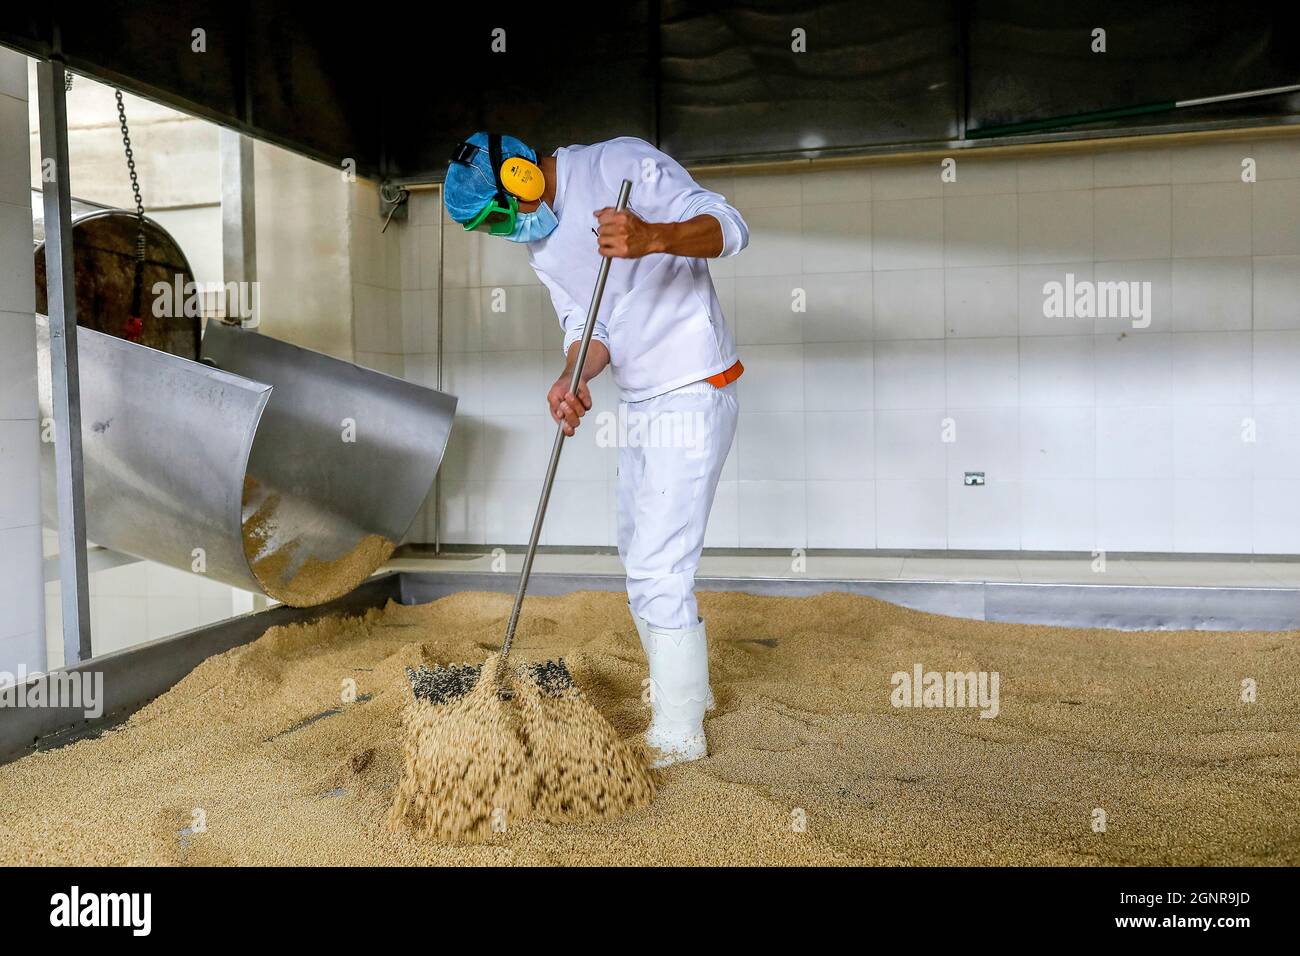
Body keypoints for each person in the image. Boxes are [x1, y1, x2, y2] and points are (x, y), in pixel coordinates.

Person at [444, 132, 749, 766]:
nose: (508, 231)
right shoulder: (538, 237)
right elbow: (588, 324)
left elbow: (731, 226)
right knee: (638, 553)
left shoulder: (620, 164)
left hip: (693, 386)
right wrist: (574, 373)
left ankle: (679, 730)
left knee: (660, 568)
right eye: (492, 228)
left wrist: (653, 236)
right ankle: (685, 689)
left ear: (523, 177)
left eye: (501, 214)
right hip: (641, 400)